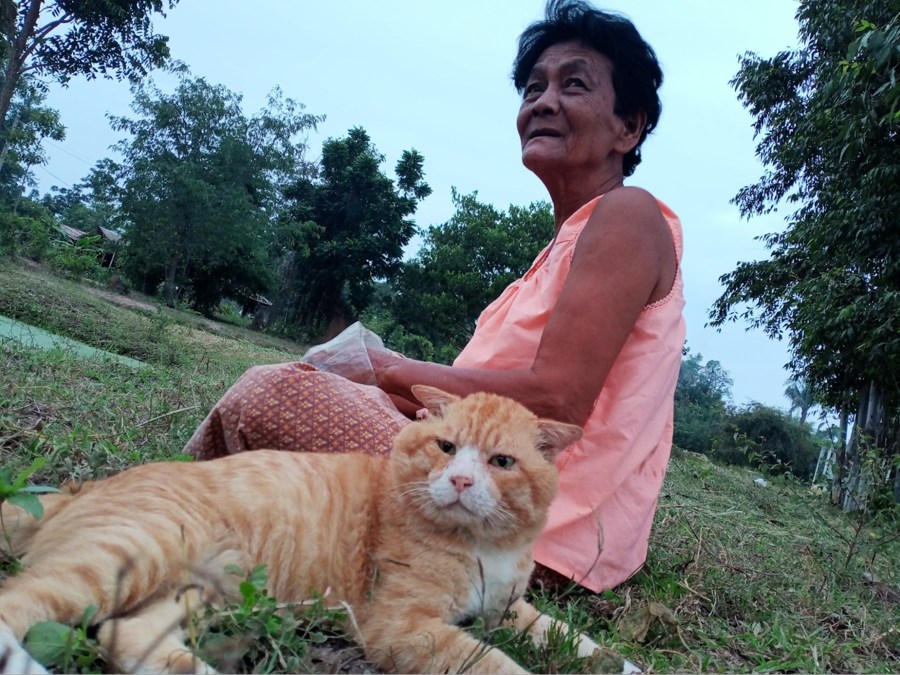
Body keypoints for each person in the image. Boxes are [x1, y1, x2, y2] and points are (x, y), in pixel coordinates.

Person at [185, 0, 685, 594]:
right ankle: (230, 536)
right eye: (532, 88)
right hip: (483, 487)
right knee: (313, 386)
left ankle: (178, 531)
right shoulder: (559, 251)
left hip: (532, 527)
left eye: (572, 85)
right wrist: (385, 389)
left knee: (273, 393)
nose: (543, 102)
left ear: (628, 126)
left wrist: (387, 370)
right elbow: (476, 406)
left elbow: (557, 400)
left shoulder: (627, 216)